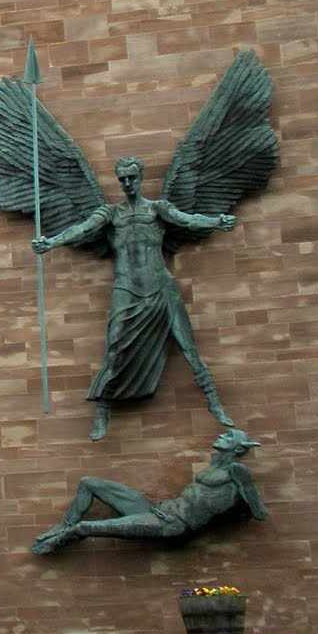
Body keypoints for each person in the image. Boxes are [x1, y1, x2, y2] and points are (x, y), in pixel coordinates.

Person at [33, 155, 237, 441]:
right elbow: (81, 229)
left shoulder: (157, 210)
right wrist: (51, 242)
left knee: (188, 347)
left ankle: (215, 404)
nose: (128, 183)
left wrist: (217, 221)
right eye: (123, 179)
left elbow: (188, 221)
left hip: (160, 284)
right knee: (115, 348)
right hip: (126, 287)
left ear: (140, 178)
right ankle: (102, 412)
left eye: (132, 178)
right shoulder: (110, 214)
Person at [30, 428, 269, 554]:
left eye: (228, 436)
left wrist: (237, 509)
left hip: (173, 525)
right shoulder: (216, 464)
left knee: (86, 528)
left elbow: (258, 511)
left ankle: (57, 541)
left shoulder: (237, 471)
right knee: (89, 482)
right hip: (158, 512)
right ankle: (64, 524)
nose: (221, 435)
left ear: (239, 449)